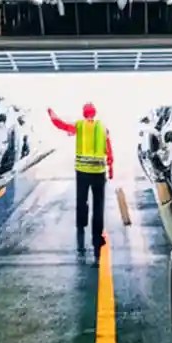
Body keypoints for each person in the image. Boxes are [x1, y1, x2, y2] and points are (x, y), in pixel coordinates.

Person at [47, 103, 114, 258]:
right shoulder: (102, 127)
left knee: (81, 201)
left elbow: (61, 125)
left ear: (84, 114)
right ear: (95, 113)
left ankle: (80, 225)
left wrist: (51, 114)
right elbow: (109, 149)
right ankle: (98, 237)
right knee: (98, 205)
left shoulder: (79, 126)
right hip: (98, 172)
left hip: (82, 172)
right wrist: (111, 168)